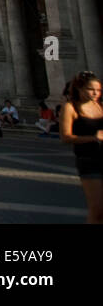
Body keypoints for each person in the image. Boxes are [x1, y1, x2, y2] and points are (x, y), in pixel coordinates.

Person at [60, 71, 103, 223]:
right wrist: (94, 138)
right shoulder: (71, 107)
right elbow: (65, 137)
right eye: (91, 89)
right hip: (88, 161)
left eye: (98, 90)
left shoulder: (101, 106)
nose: (95, 93)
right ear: (79, 88)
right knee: (97, 209)